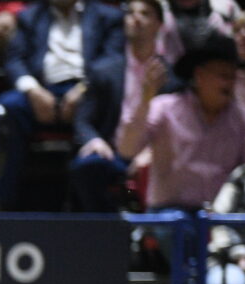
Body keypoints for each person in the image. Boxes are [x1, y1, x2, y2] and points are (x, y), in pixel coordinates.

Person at [0, 0, 123, 211]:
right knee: (6, 108)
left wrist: (84, 89)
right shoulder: (30, 16)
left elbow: (112, 60)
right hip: (42, 87)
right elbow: (14, 60)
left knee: (105, 104)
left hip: (89, 89)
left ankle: (96, 205)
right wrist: (33, 90)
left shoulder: (108, 16)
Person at [118, 31, 245, 212]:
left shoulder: (240, 118)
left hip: (221, 215)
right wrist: (145, 101)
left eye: (232, 77)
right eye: (223, 76)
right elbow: (127, 149)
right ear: (199, 75)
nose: (229, 83)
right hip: (169, 212)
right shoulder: (165, 108)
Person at [68, 0, 170, 212]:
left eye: (145, 14)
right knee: (86, 166)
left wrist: (151, 152)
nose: (136, 18)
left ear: (159, 24)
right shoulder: (104, 70)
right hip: (112, 153)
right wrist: (95, 141)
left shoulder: (171, 77)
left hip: (155, 156)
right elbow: (83, 119)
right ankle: (107, 228)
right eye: (130, 13)